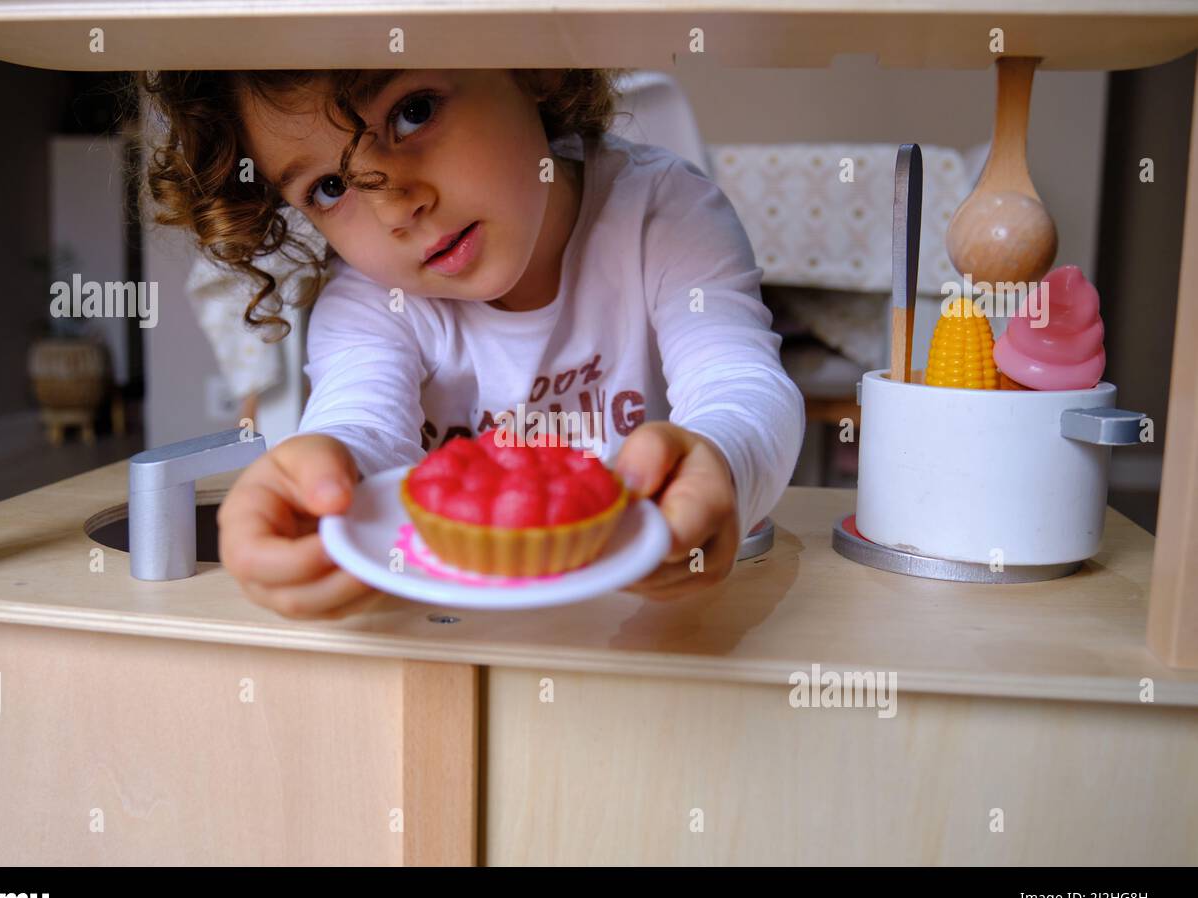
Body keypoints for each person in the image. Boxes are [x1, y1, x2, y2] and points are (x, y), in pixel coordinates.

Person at [137, 68, 804, 616]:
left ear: (530, 67)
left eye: (414, 111)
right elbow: (361, 432)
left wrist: (725, 461)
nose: (397, 206)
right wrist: (316, 485)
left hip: (641, 627)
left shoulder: (664, 216)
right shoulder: (373, 301)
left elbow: (740, 387)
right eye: (330, 187)